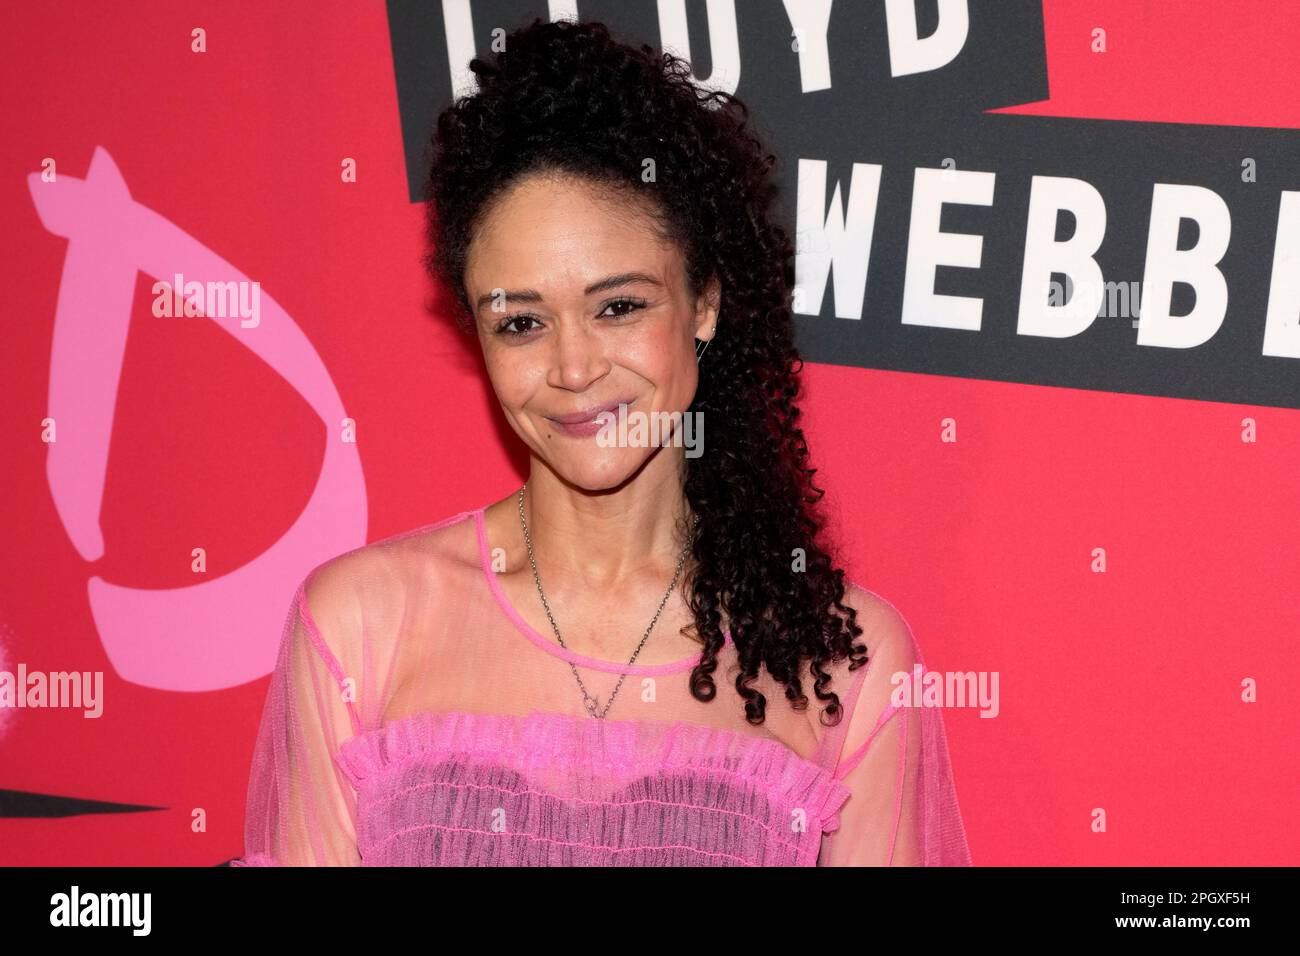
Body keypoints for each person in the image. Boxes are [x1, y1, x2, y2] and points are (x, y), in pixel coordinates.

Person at [234, 16, 971, 867]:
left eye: (618, 306)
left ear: (703, 305)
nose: (573, 367)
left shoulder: (845, 662)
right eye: (521, 322)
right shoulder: (361, 625)